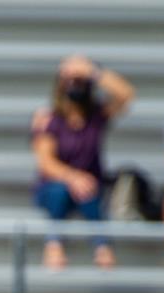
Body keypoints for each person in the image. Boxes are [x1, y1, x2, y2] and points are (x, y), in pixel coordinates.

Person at [31, 55, 134, 271]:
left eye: (80, 81)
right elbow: (45, 162)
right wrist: (73, 177)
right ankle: (54, 244)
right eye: (71, 81)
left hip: (88, 189)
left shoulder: (96, 116)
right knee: (61, 190)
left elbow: (126, 95)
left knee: (89, 189)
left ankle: (102, 247)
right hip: (55, 187)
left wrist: (93, 72)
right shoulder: (50, 118)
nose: (75, 86)